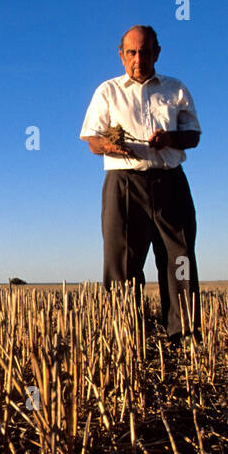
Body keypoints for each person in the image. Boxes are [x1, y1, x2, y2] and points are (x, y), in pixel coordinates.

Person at [79, 25, 202, 345]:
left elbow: (194, 136)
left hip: (170, 181)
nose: (138, 59)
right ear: (121, 56)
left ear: (156, 54)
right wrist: (111, 145)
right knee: (121, 262)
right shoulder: (107, 91)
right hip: (123, 182)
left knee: (180, 259)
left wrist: (170, 138)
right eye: (131, 52)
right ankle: (124, 338)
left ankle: (184, 334)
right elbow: (92, 140)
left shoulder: (176, 89)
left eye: (145, 51)